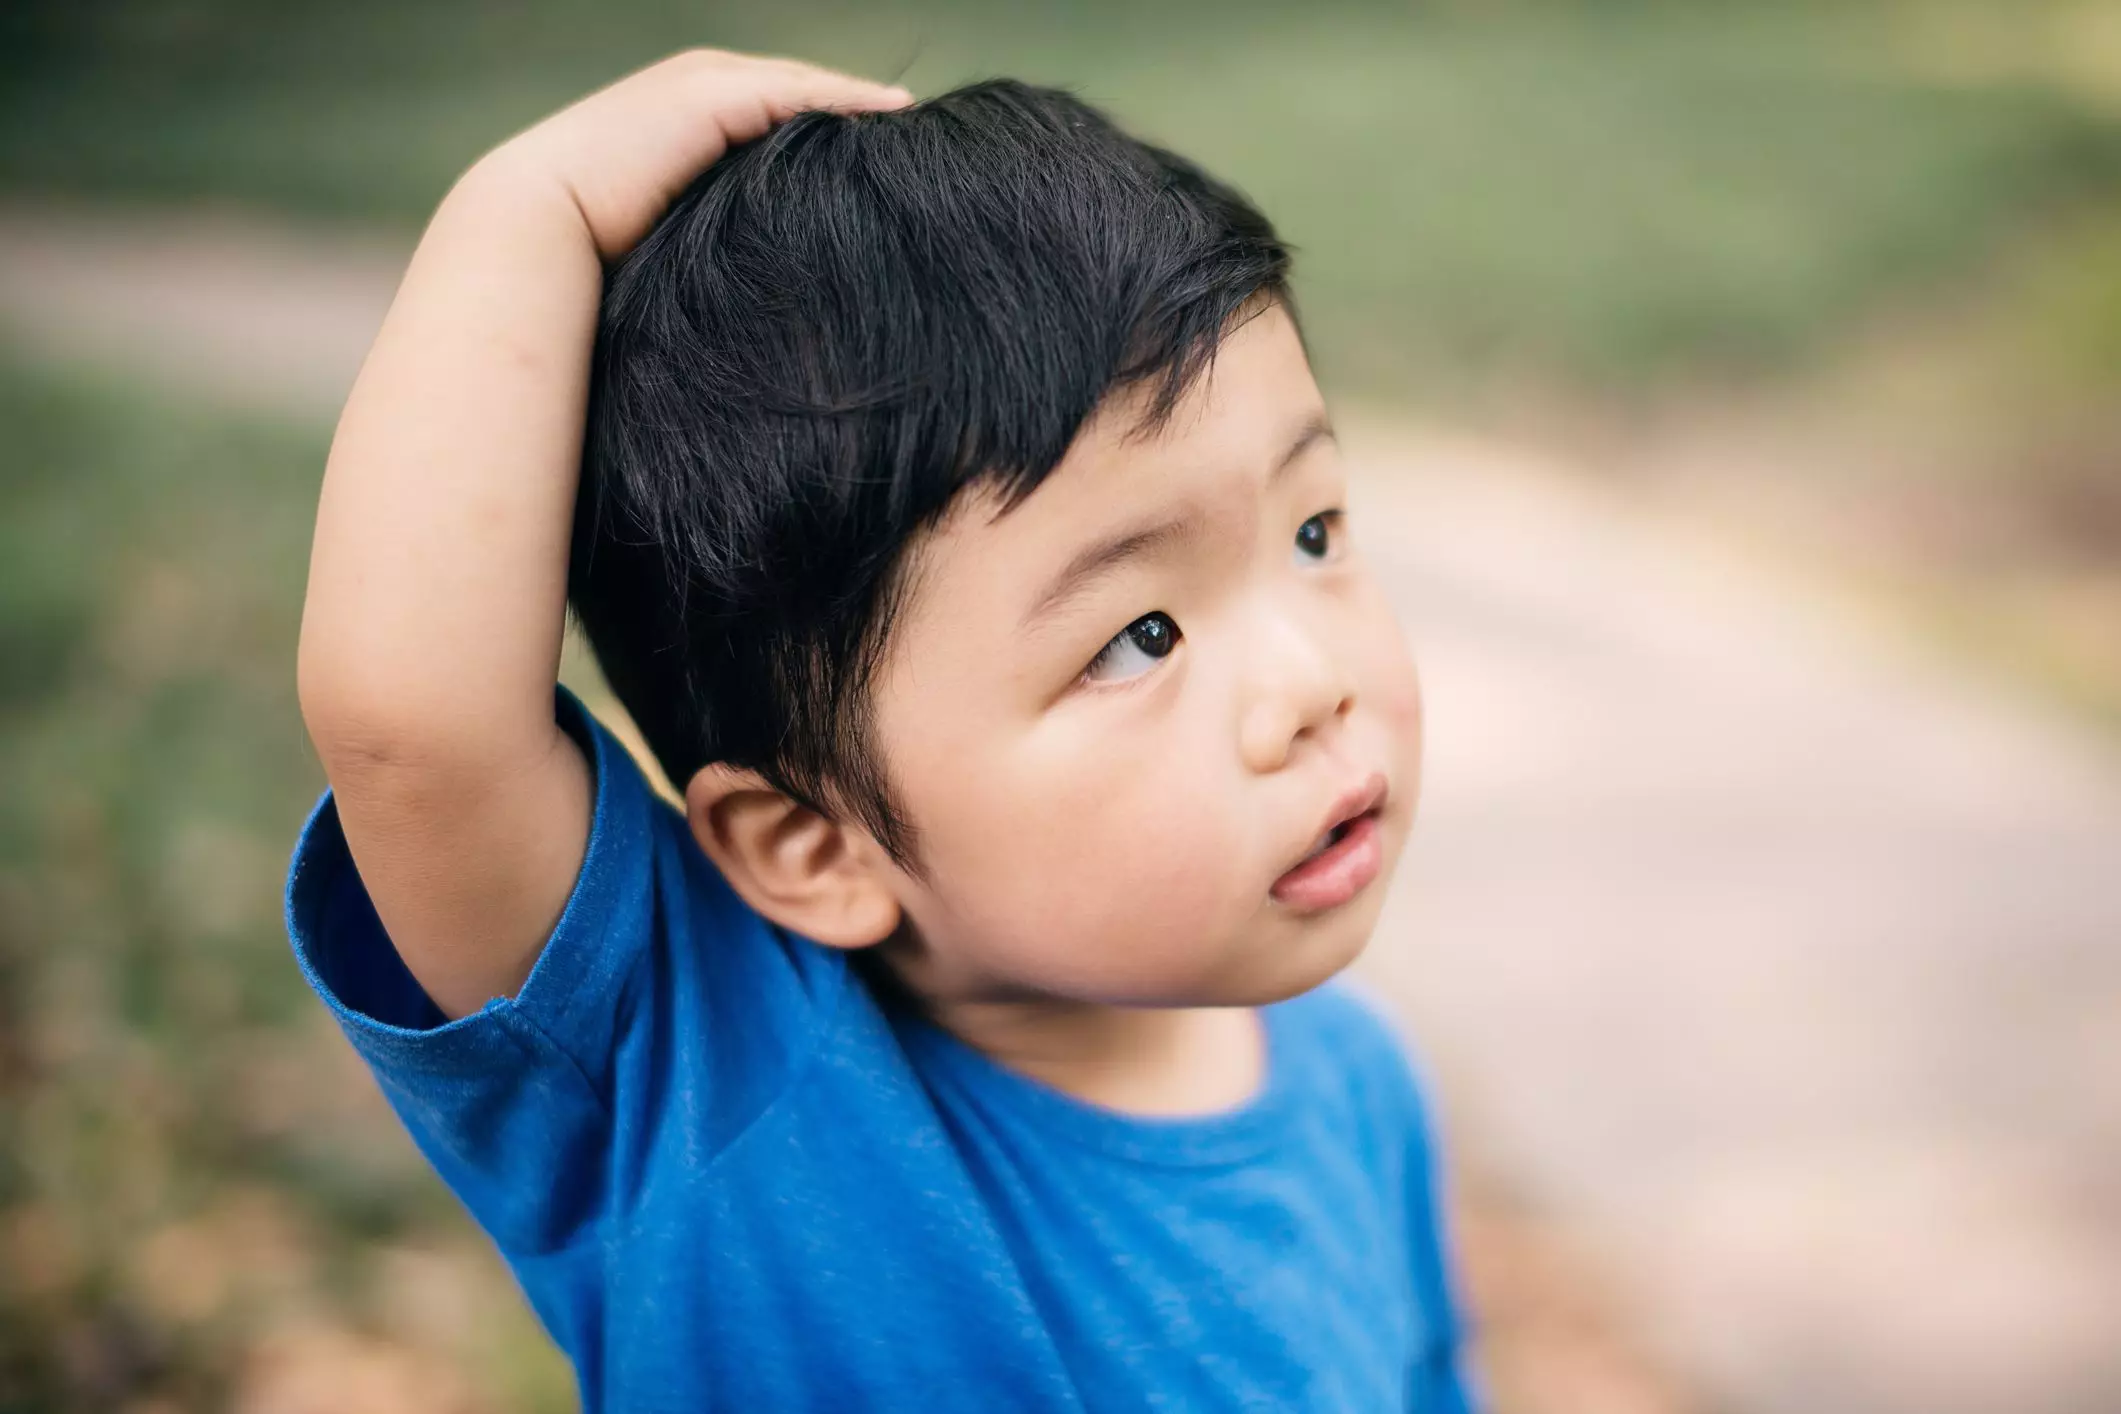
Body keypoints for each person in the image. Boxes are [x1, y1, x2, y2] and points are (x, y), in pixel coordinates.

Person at [288, 48, 1476, 1412]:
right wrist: (530, 206)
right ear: (812, 844)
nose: (1312, 678)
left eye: (1313, 529)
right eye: (1137, 636)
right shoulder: (724, 1091)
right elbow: (414, 730)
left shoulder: (1362, 1092)